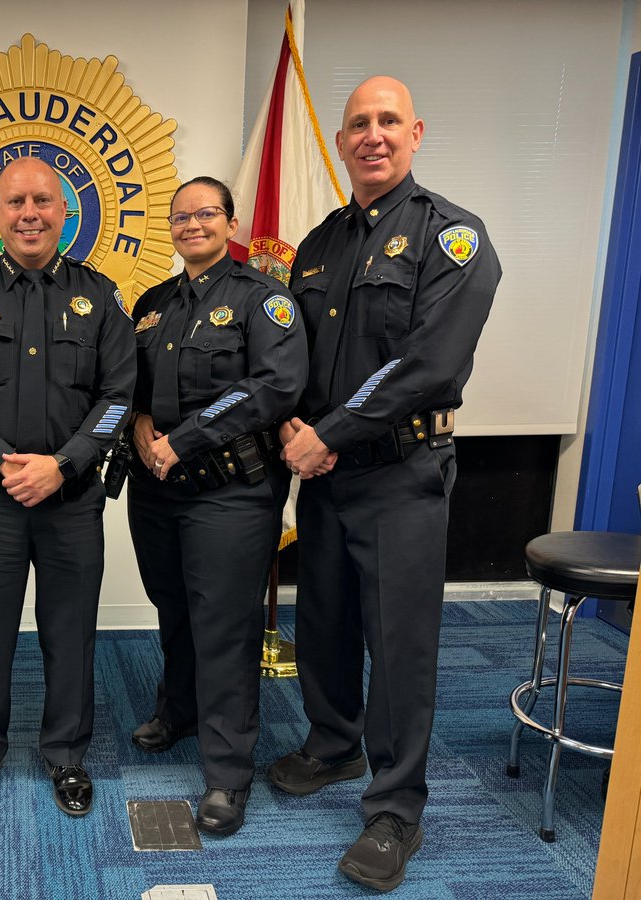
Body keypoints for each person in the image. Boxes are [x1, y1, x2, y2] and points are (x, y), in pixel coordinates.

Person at [274, 76, 500, 891]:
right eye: (359, 123)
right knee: (324, 619)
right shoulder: (319, 244)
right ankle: (333, 744)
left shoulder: (453, 237)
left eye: (389, 121)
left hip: (403, 473)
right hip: (327, 473)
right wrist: (292, 426)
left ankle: (396, 808)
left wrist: (326, 434)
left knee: (399, 643)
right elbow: (289, 357)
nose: (373, 135)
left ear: (416, 133)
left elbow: (428, 365)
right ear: (341, 142)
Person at [0, 156, 136, 817]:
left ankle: (66, 753)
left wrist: (64, 464)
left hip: (72, 499)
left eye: (43, 201)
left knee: (69, 631)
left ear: (64, 212)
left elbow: (118, 397)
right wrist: (2, 462)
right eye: (15, 202)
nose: (29, 214)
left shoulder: (101, 297)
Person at [126, 176, 307, 835]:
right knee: (173, 605)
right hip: (156, 488)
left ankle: (228, 773)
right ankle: (179, 711)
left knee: (225, 626)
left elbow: (274, 387)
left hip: (231, 492)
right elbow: (128, 384)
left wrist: (185, 439)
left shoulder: (264, 299)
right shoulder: (151, 305)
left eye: (206, 213)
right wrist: (139, 423)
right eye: (181, 216)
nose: (192, 224)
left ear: (231, 224)